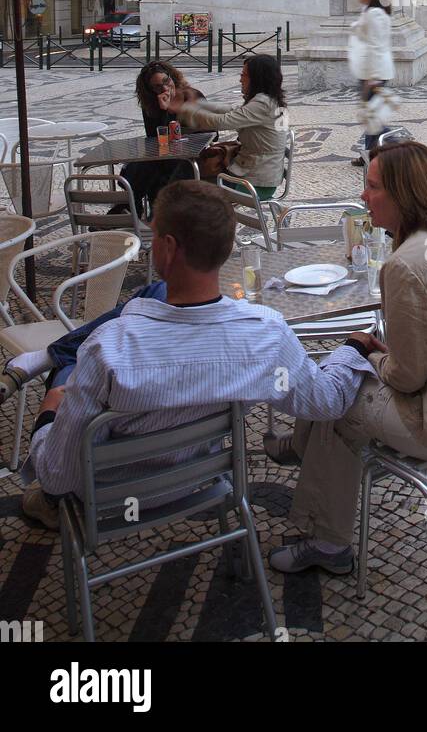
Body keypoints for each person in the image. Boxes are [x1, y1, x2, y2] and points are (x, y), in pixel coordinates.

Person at [18, 181, 376, 528]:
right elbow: (325, 402)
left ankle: (45, 496)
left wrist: (48, 417)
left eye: (154, 235)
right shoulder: (265, 333)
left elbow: (58, 477)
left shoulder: (107, 348)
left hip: (109, 495)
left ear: (168, 248)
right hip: (201, 480)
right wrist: (352, 348)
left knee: (61, 383)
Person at [265, 141, 427, 576]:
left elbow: (407, 377)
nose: (363, 197)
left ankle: (327, 540)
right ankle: (301, 446)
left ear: (404, 195)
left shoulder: (405, 264)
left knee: (341, 390)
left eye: (372, 187)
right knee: (351, 362)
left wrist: (374, 358)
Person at [166, 54, 288, 200]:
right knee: (188, 172)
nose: (240, 79)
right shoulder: (270, 101)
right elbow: (231, 110)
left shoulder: (263, 104)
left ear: (256, 78)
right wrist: (197, 104)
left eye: (244, 75)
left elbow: (222, 121)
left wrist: (183, 109)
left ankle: (164, 219)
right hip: (260, 176)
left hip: (253, 183)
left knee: (187, 183)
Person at [113, 62, 205, 216]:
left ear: (172, 77)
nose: (164, 88)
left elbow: (210, 132)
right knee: (145, 165)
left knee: (152, 170)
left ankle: (132, 210)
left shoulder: (192, 96)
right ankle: (134, 209)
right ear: (149, 89)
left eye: (165, 81)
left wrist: (170, 110)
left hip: (191, 155)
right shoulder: (151, 103)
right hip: (165, 156)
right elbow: (154, 137)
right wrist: (164, 111)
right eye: (157, 86)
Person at [348, 0, 397, 163]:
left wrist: (372, 78)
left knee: (373, 119)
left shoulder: (374, 14)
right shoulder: (371, 11)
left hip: (374, 72)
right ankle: (369, 154)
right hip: (372, 71)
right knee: (371, 116)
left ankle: (398, 144)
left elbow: (377, 46)